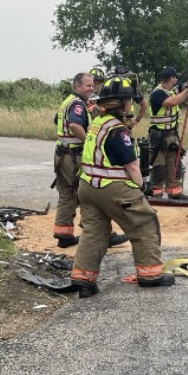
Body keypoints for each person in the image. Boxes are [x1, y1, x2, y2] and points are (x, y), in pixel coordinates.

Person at [70, 76, 176, 297]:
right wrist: (141, 187)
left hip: (87, 186)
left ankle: (83, 280)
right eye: (130, 101)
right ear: (123, 103)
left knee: (94, 232)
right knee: (144, 223)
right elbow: (132, 166)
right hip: (112, 187)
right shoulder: (118, 130)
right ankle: (150, 275)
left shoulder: (97, 122)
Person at [52, 71, 128, 249]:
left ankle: (64, 235)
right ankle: (104, 235)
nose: (91, 88)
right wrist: (89, 142)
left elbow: (57, 120)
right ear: (78, 86)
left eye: (93, 85)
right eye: (88, 85)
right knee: (91, 193)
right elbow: (74, 124)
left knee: (67, 195)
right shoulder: (77, 104)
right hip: (73, 156)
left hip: (62, 154)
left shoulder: (68, 102)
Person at [147, 66, 188, 202]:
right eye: (175, 77)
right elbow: (173, 102)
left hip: (171, 134)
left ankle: (174, 192)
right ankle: (156, 192)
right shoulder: (157, 93)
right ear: (171, 78)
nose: (177, 80)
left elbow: (183, 87)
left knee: (174, 163)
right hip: (157, 135)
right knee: (159, 165)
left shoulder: (172, 90)